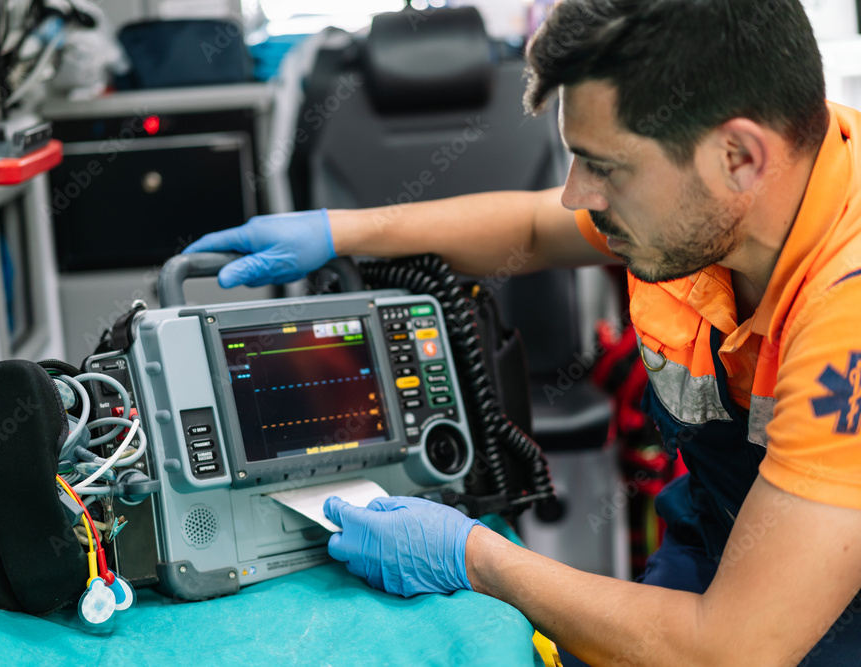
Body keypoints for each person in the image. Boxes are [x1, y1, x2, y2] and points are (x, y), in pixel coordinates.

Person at [185, 1, 861, 663]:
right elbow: (534, 229)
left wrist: (472, 556)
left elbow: (729, 648)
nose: (576, 196)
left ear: (739, 155)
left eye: (605, 167)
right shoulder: (740, 185)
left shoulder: (845, 316)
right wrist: (339, 231)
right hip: (720, 531)